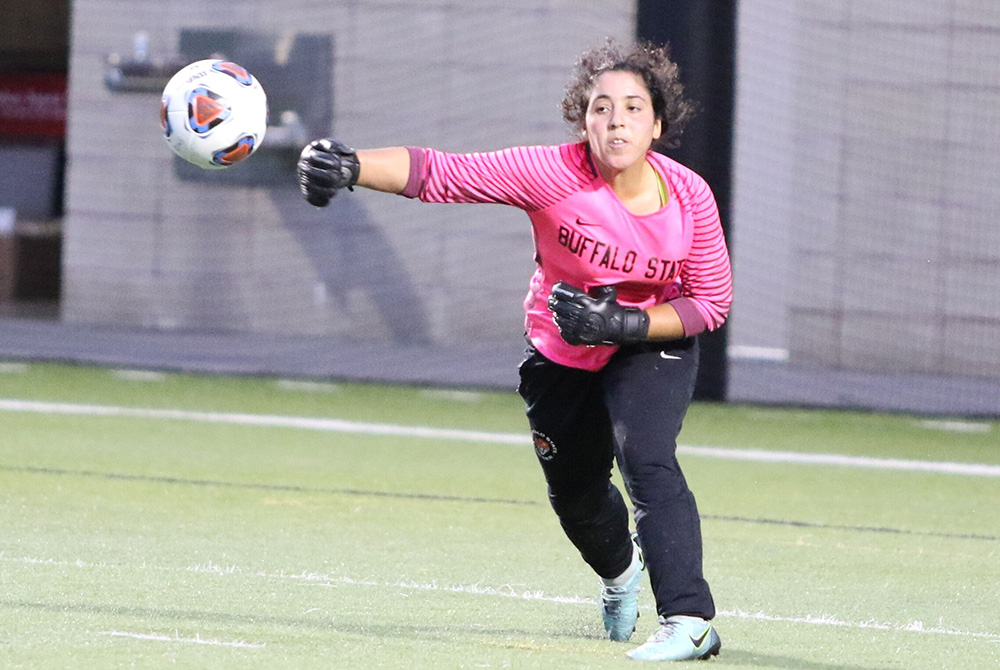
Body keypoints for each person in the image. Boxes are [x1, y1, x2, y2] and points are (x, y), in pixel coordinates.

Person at [297, 38, 732, 662]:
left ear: (657, 124)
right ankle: (619, 573)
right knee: (577, 497)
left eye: (634, 108)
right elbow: (441, 174)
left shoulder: (689, 196)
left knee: (647, 456)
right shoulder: (553, 171)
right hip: (560, 352)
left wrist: (626, 325)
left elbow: (710, 302)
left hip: (650, 342)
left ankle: (690, 620)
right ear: (583, 121)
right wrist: (349, 165)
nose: (617, 120)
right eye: (601, 107)